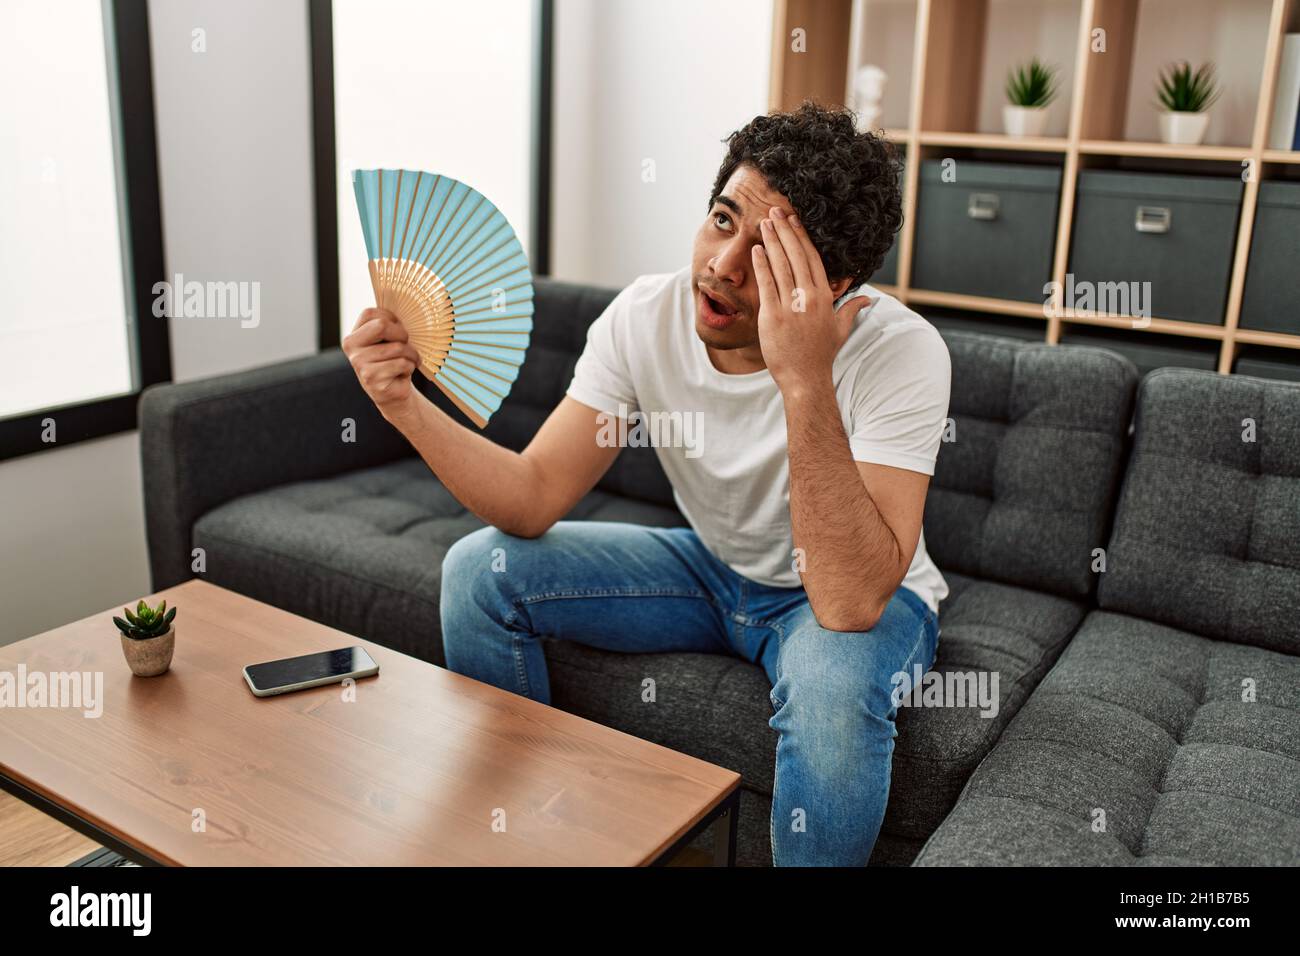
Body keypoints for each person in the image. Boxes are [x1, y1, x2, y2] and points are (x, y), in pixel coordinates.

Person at [343, 101, 951, 865]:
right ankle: (518, 843)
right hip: (712, 570)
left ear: (833, 283)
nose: (723, 266)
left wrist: (804, 377)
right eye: (723, 221)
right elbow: (531, 496)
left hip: (856, 598)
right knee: (479, 571)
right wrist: (402, 404)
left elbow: (847, 602)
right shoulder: (643, 316)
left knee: (832, 692)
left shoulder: (901, 352)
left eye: (767, 255)